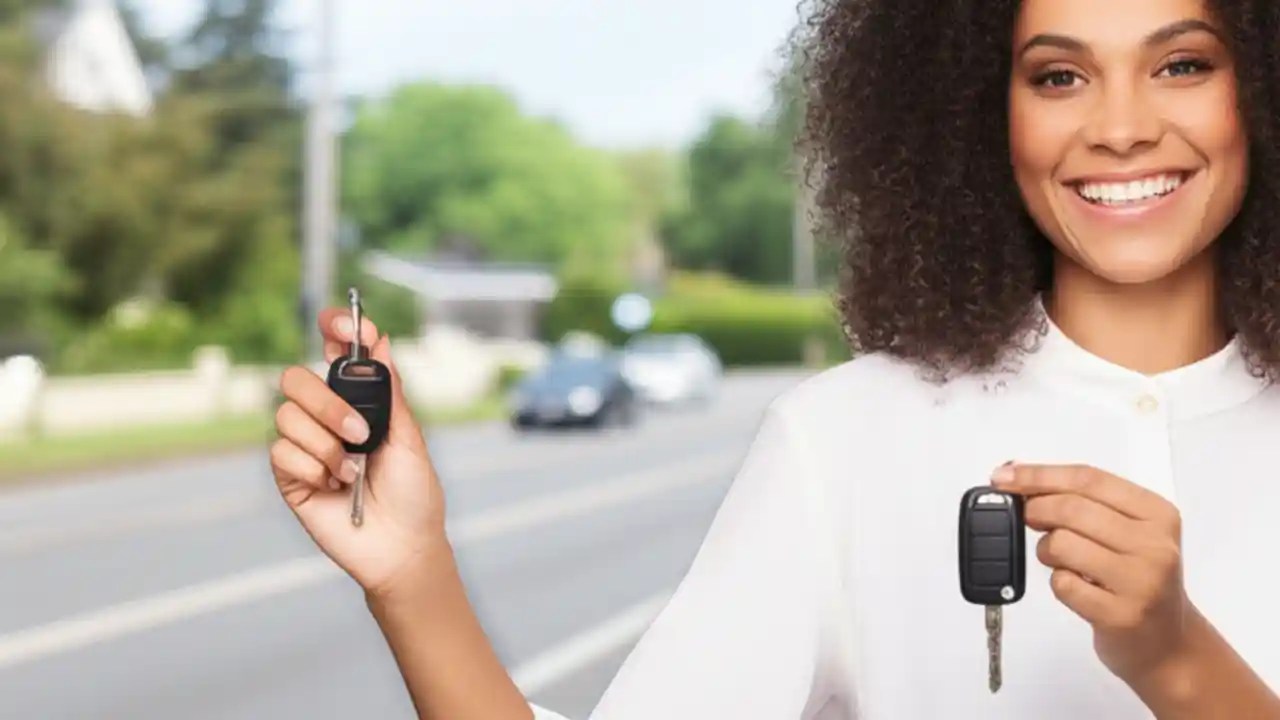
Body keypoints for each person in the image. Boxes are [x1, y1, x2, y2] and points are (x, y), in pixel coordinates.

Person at [269, 0, 1280, 716]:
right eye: (1058, 76)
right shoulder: (845, 439)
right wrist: (412, 575)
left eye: (1182, 64)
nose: (1119, 129)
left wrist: (1175, 661)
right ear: (979, 111)